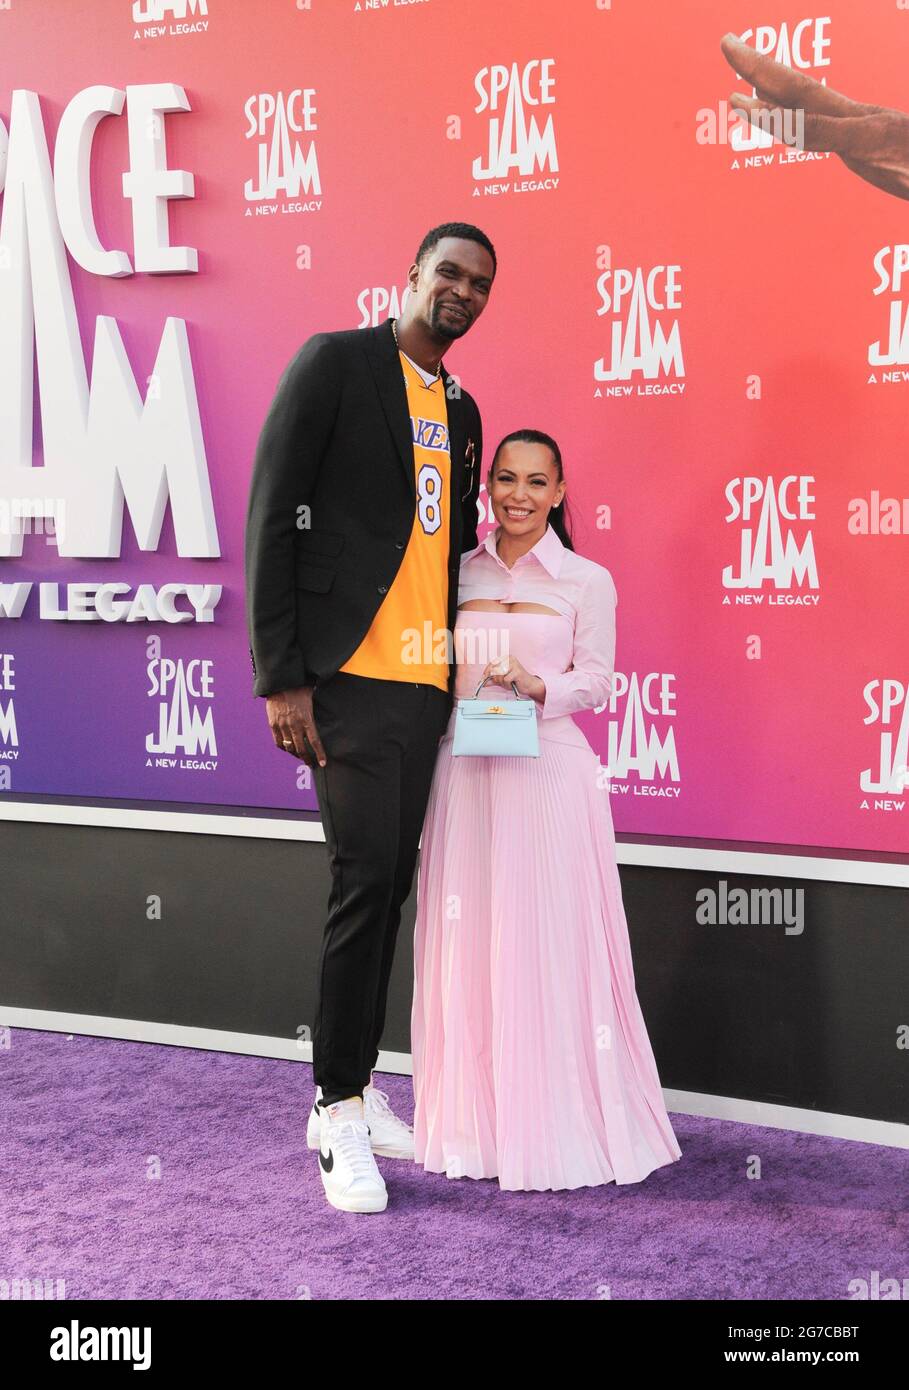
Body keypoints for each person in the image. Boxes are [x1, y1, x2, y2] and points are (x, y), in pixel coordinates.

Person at [244, 223, 495, 1212]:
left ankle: (353, 1081)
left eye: (479, 283)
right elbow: (273, 511)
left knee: (388, 887)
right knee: (362, 882)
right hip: (344, 678)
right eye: (449, 273)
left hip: (424, 686)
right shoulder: (337, 364)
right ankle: (336, 1105)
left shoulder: (463, 409)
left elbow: (451, 546)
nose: (462, 291)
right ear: (412, 276)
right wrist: (282, 677)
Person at [411, 429, 682, 1191]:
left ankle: (557, 1126)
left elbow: (597, 680)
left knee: (547, 943)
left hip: (549, 774)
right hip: (466, 771)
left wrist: (536, 685)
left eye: (536, 482)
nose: (519, 495)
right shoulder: (454, 572)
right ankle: (479, 1131)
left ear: (559, 492)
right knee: (473, 942)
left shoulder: (585, 579)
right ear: (487, 486)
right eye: (506, 478)